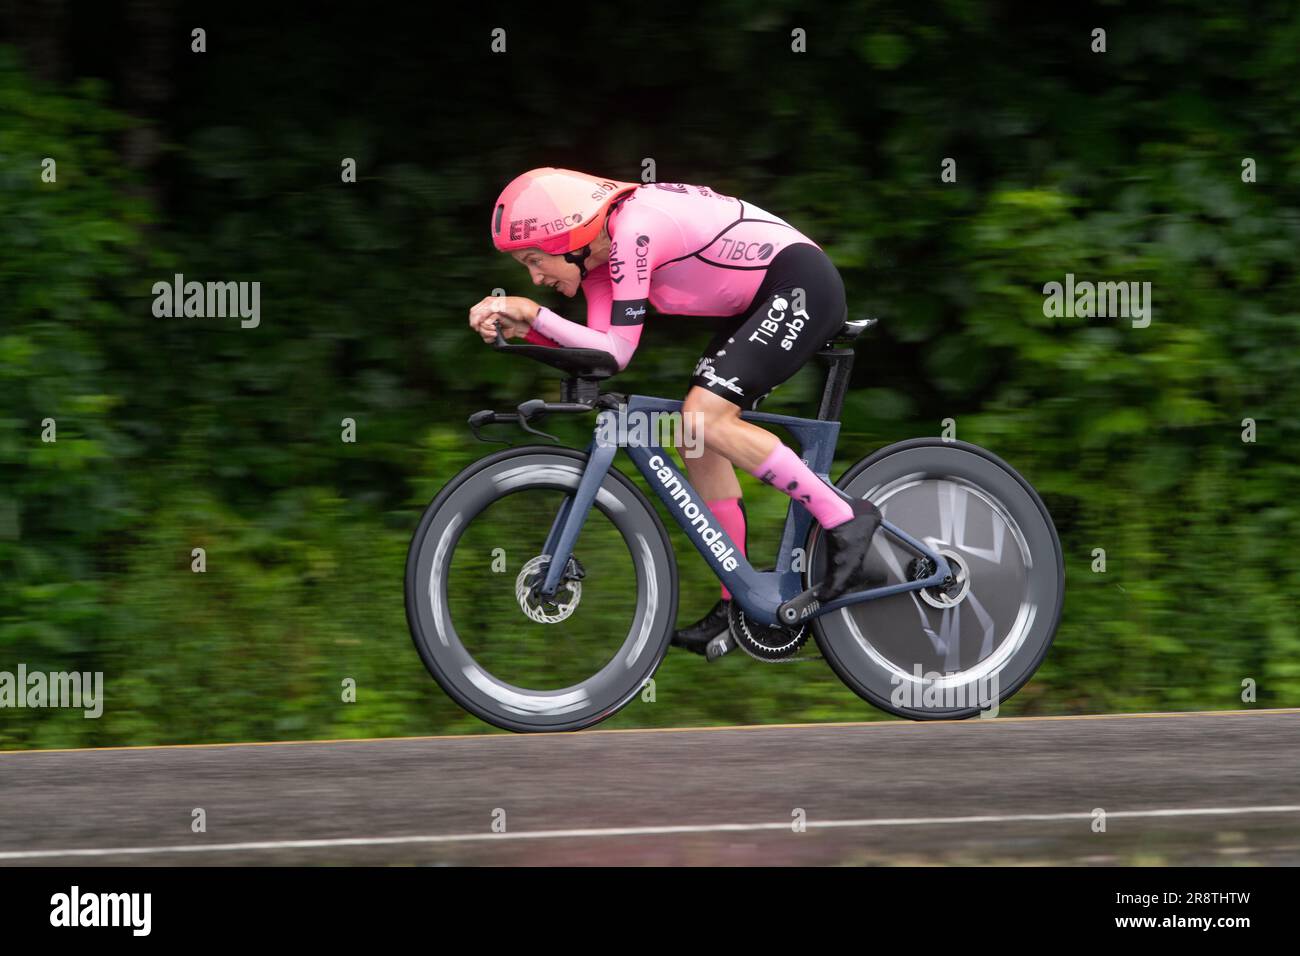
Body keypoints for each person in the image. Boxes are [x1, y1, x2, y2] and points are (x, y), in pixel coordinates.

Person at [469, 168, 880, 655]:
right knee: (695, 436)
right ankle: (739, 602)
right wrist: (529, 332)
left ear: (571, 237)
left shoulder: (634, 231)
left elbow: (614, 350)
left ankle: (844, 518)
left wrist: (535, 315)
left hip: (798, 284)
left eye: (535, 261)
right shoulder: (599, 262)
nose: (535, 278)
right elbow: (607, 356)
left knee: (703, 418)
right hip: (759, 303)